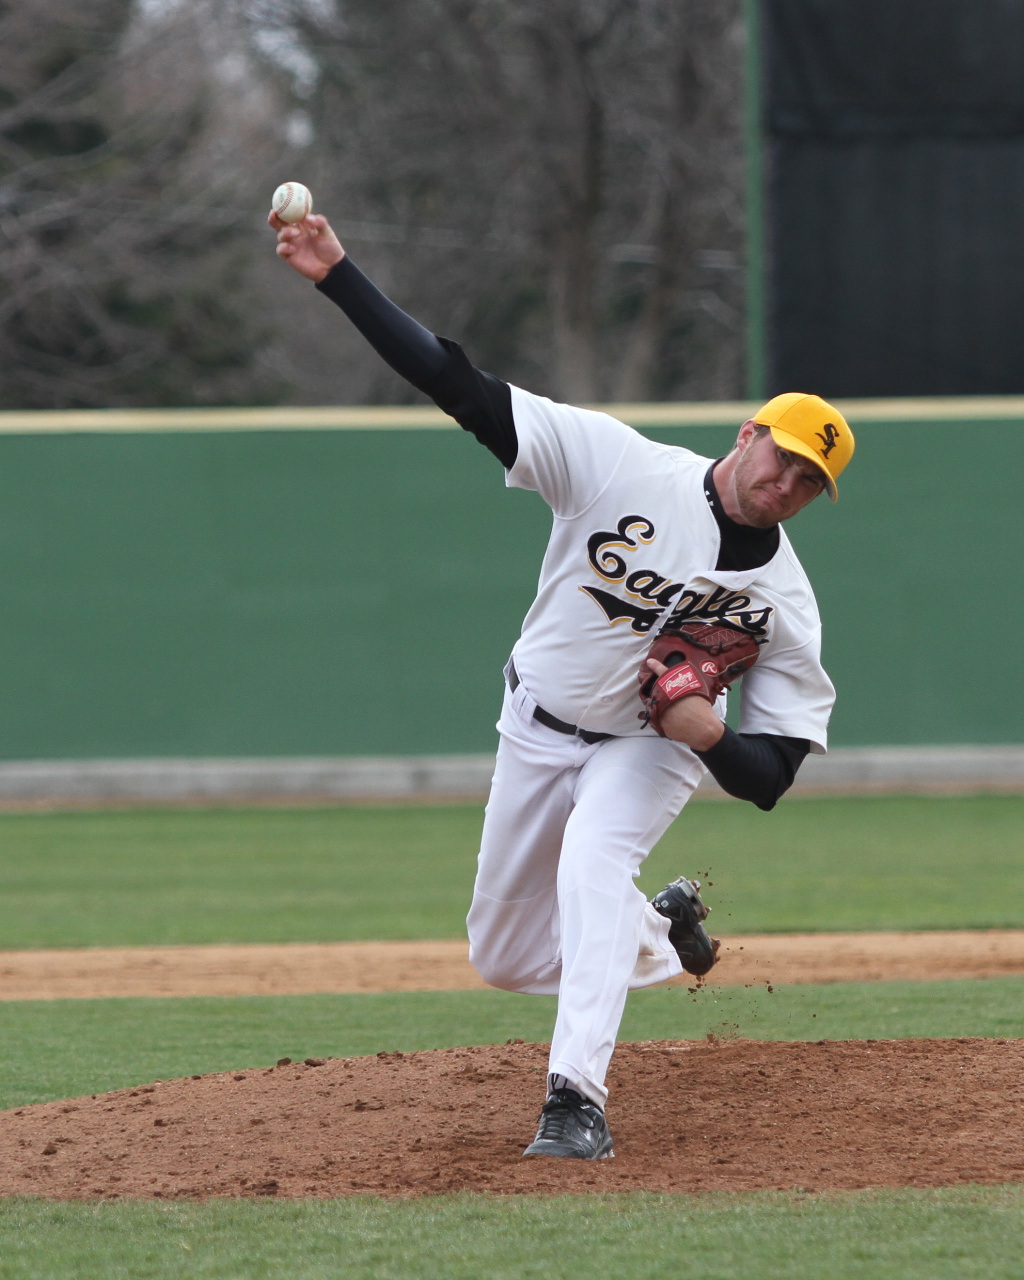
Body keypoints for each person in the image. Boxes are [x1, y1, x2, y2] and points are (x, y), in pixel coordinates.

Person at [270, 208, 855, 1162]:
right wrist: (338, 276)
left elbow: (773, 774)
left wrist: (709, 735)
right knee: (502, 958)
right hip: (536, 723)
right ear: (747, 434)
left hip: (648, 747)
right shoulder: (616, 464)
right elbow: (456, 383)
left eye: (808, 482)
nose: (786, 484)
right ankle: (658, 927)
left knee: (590, 866)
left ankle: (575, 1101)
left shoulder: (783, 603)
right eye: (783, 459)